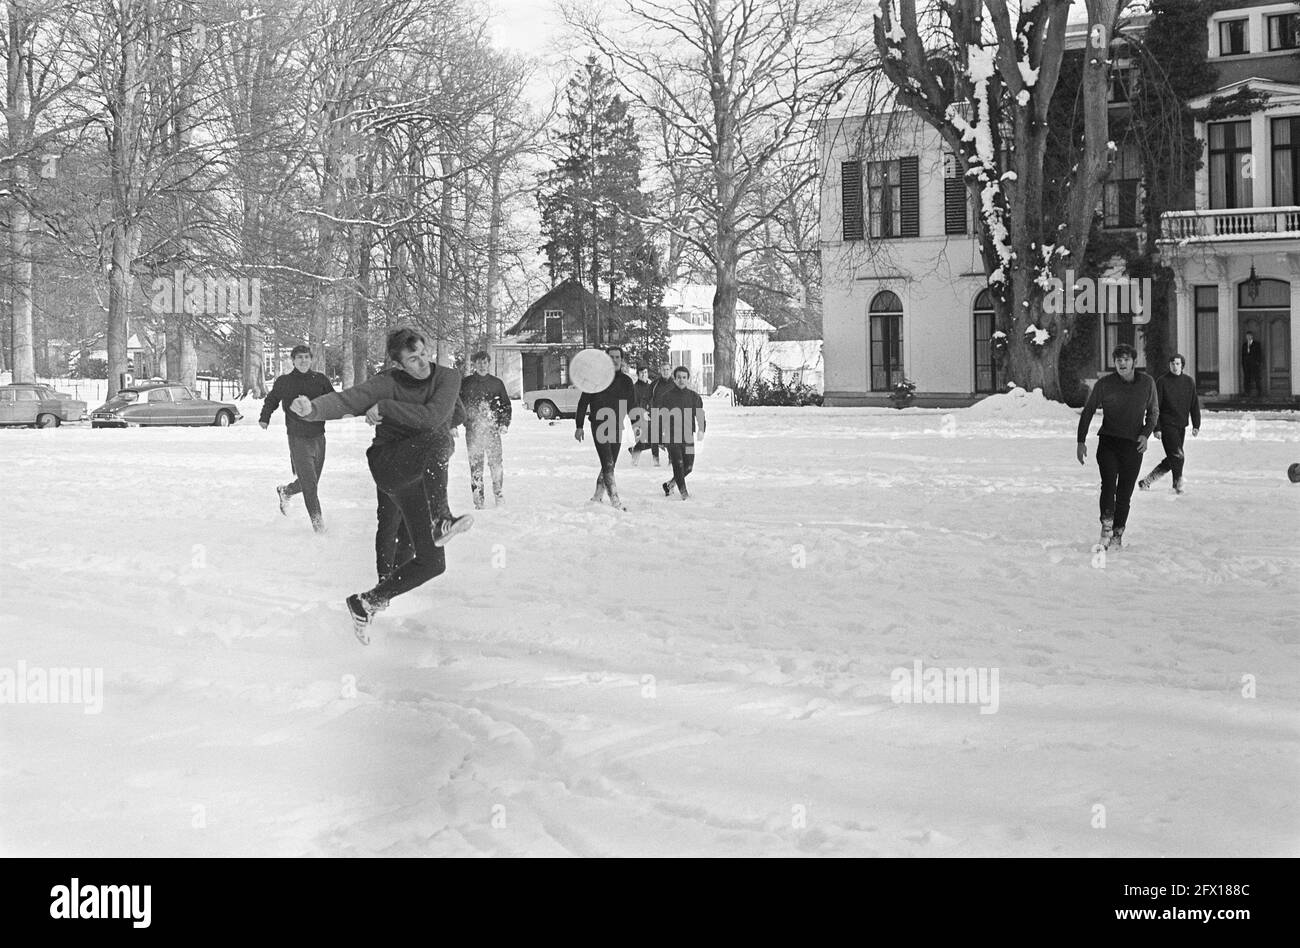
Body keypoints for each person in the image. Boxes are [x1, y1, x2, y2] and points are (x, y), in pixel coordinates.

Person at [290, 328, 467, 642]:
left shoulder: (448, 378)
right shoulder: (387, 383)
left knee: (432, 563)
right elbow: (349, 399)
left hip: (420, 474)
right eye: (413, 359)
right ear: (399, 364)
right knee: (434, 443)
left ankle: (366, 601)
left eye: (424, 353)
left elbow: (437, 415)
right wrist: (313, 409)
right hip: (389, 464)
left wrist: (386, 408)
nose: (423, 363)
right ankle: (441, 518)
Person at [1076, 344, 1159, 551]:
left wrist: (1145, 434)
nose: (1122, 363)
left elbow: (1154, 412)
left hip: (1133, 445)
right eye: (1118, 360)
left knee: (1124, 494)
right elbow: (1088, 411)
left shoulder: (1147, 383)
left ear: (1134, 362)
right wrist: (1081, 441)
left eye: (1126, 359)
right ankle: (1106, 526)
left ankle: (1118, 533)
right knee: (1108, 485)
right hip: (1109, 442)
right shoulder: (1105, 384)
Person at [259, 345, 336, 533]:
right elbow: (272, 400)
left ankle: (286, 491)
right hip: (297, 437)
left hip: (318, 436)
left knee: (311, 481)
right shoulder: (285, 381)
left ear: (311, 360)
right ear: (293, 360)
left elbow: (334, 400)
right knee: (310, 485)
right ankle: (319, 527)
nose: (303, 360)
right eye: (299, 357)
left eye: (306, 357)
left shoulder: (320, 380)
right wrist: (264, 417)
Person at [575, 346, 635, 508]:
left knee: (610, 463)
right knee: (608, 462)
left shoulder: (626, 381)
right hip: (599, 425)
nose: (614, 360)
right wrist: (579, 425)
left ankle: (597, 496)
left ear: (621, 360)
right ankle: (615, 499)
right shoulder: (595, 379)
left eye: (617, 357)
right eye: (611, 357)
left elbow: (632, 406)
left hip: (617, 426)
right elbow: (583, 403)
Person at [1139, 353, 1201, 494]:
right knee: (1178, 456)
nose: (1174, 366)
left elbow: (1194, 405)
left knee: (1173, 459)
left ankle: (1147, 481)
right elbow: (1155, 407)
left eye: (1177, 364)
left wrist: (1196, 424)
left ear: (1182, 365)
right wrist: (1157, 428)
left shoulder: (1189, 382)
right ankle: (1177, 485)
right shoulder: (1162, 382)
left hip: (1181, 426)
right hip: (1166, 425)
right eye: (1172, 363)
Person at [459, 351, 512, 508]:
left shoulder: (497, 383)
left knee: (496, 463)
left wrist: (504, 423)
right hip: (473, 431)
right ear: (474, 364)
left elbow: (506, 405)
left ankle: (498, 493)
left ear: (489, 364)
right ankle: (478, 498)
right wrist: (454, 424)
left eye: (485, 362)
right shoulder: (466, 383)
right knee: (475, 465)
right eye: (479, 362)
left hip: (492, 430)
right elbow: (457, 405)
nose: (482, 365)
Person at [658, 365, 707, 500]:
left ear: (688, 379)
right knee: (678, 464)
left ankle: (670, 484)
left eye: (684, 377)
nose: (681, 380)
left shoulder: (694, 396)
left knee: (689, 467)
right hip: (671, 436)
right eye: (678, 377)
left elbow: (700, 415)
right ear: (674, 379)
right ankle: (684, 493)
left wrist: (702, 429)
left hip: (687, 435)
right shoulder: (666, 397)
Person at [628, 365, 660, 466]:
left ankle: (656, 463)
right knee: (642, 441)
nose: (644, 375)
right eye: (641, 373)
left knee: (654, 440)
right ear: (637, 374)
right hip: (638, 419)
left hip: (652, 417)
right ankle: (634, 462)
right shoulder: (634, 388)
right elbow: (632, 405)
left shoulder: (651, 387)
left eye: (645, 372)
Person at [1241, 331, 1264, 397]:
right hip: (1246, 365)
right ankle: (1246, 392)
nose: (1248, 337)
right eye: (1247, 336)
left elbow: (1259, 354)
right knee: (1246, 378)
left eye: (1249, 336)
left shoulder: (1257, 344)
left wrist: (1258, 363)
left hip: (1254, 364)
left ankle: (1259, 392)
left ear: (1252, 336)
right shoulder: (1244, 345)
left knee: (1256, 378)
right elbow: (1243, 355)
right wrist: (1243, 363)